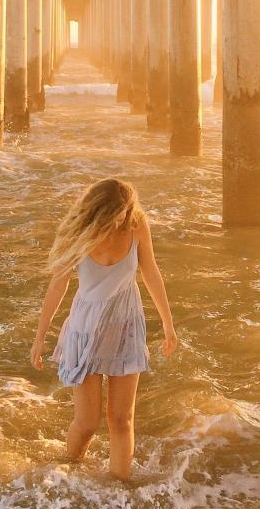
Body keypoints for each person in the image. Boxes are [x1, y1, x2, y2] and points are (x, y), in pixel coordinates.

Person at [30, 177, 177, 480]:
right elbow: (58, 285)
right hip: (85, 330)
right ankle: (64, 476)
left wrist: (167, 321)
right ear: (100, 212)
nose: (122, 219)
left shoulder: (136, 225)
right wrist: (40, 336)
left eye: (126, 212)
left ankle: (118, 490)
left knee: (121, 420)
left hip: (125, 326)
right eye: (116, 213)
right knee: (87, 422)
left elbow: (150, 270)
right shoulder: (80, 232)